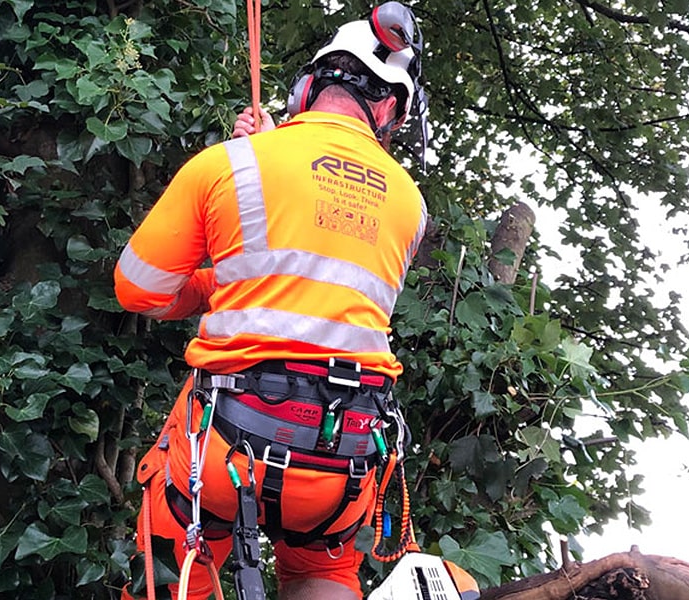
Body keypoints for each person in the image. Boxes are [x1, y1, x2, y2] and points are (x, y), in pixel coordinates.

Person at [114, 4, 475, 599]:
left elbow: (138, 288)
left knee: (173, 546)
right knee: (326, 572)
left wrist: (212, 282)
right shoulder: (411, 204)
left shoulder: (232, 164)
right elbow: (318, 268)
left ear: (306, 87)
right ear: (388, 109)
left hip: (230, 444)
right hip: (347, 455)